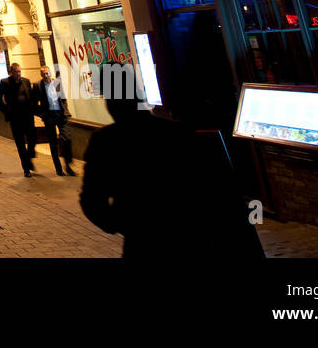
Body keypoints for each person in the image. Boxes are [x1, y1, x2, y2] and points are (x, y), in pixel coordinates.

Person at [80, 93, 265, 259]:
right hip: (190, 238)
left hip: (144, 244)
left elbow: (91, 200)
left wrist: (121, 223)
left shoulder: (106, 142)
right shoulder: (177, 133)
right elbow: (214, 189)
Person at [0, 63, 36, 176]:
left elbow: (31, 97)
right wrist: (5, 110)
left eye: (19, 71)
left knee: (32, 138)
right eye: (16, 72)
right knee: (20, 143)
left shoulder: (26, 81)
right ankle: (26, 168)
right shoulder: (5, 82)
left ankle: (29, 157)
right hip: (15, 117)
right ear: (11, 72)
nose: (18, 74)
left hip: (28, 116)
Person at [35, 66, 76, 176]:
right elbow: (34, 103)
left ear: (50, 73)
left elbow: (63, 98)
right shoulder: (38, 85)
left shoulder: (57, 83)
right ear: (41, 75)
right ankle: (58, 168)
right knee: (52, 142)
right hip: (49, 116)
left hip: (61, 114)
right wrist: (42, 114)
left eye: (47, 73)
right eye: (43, 74)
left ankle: (68, 166)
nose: (46, 75)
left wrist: (65, 109)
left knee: (67, 138)